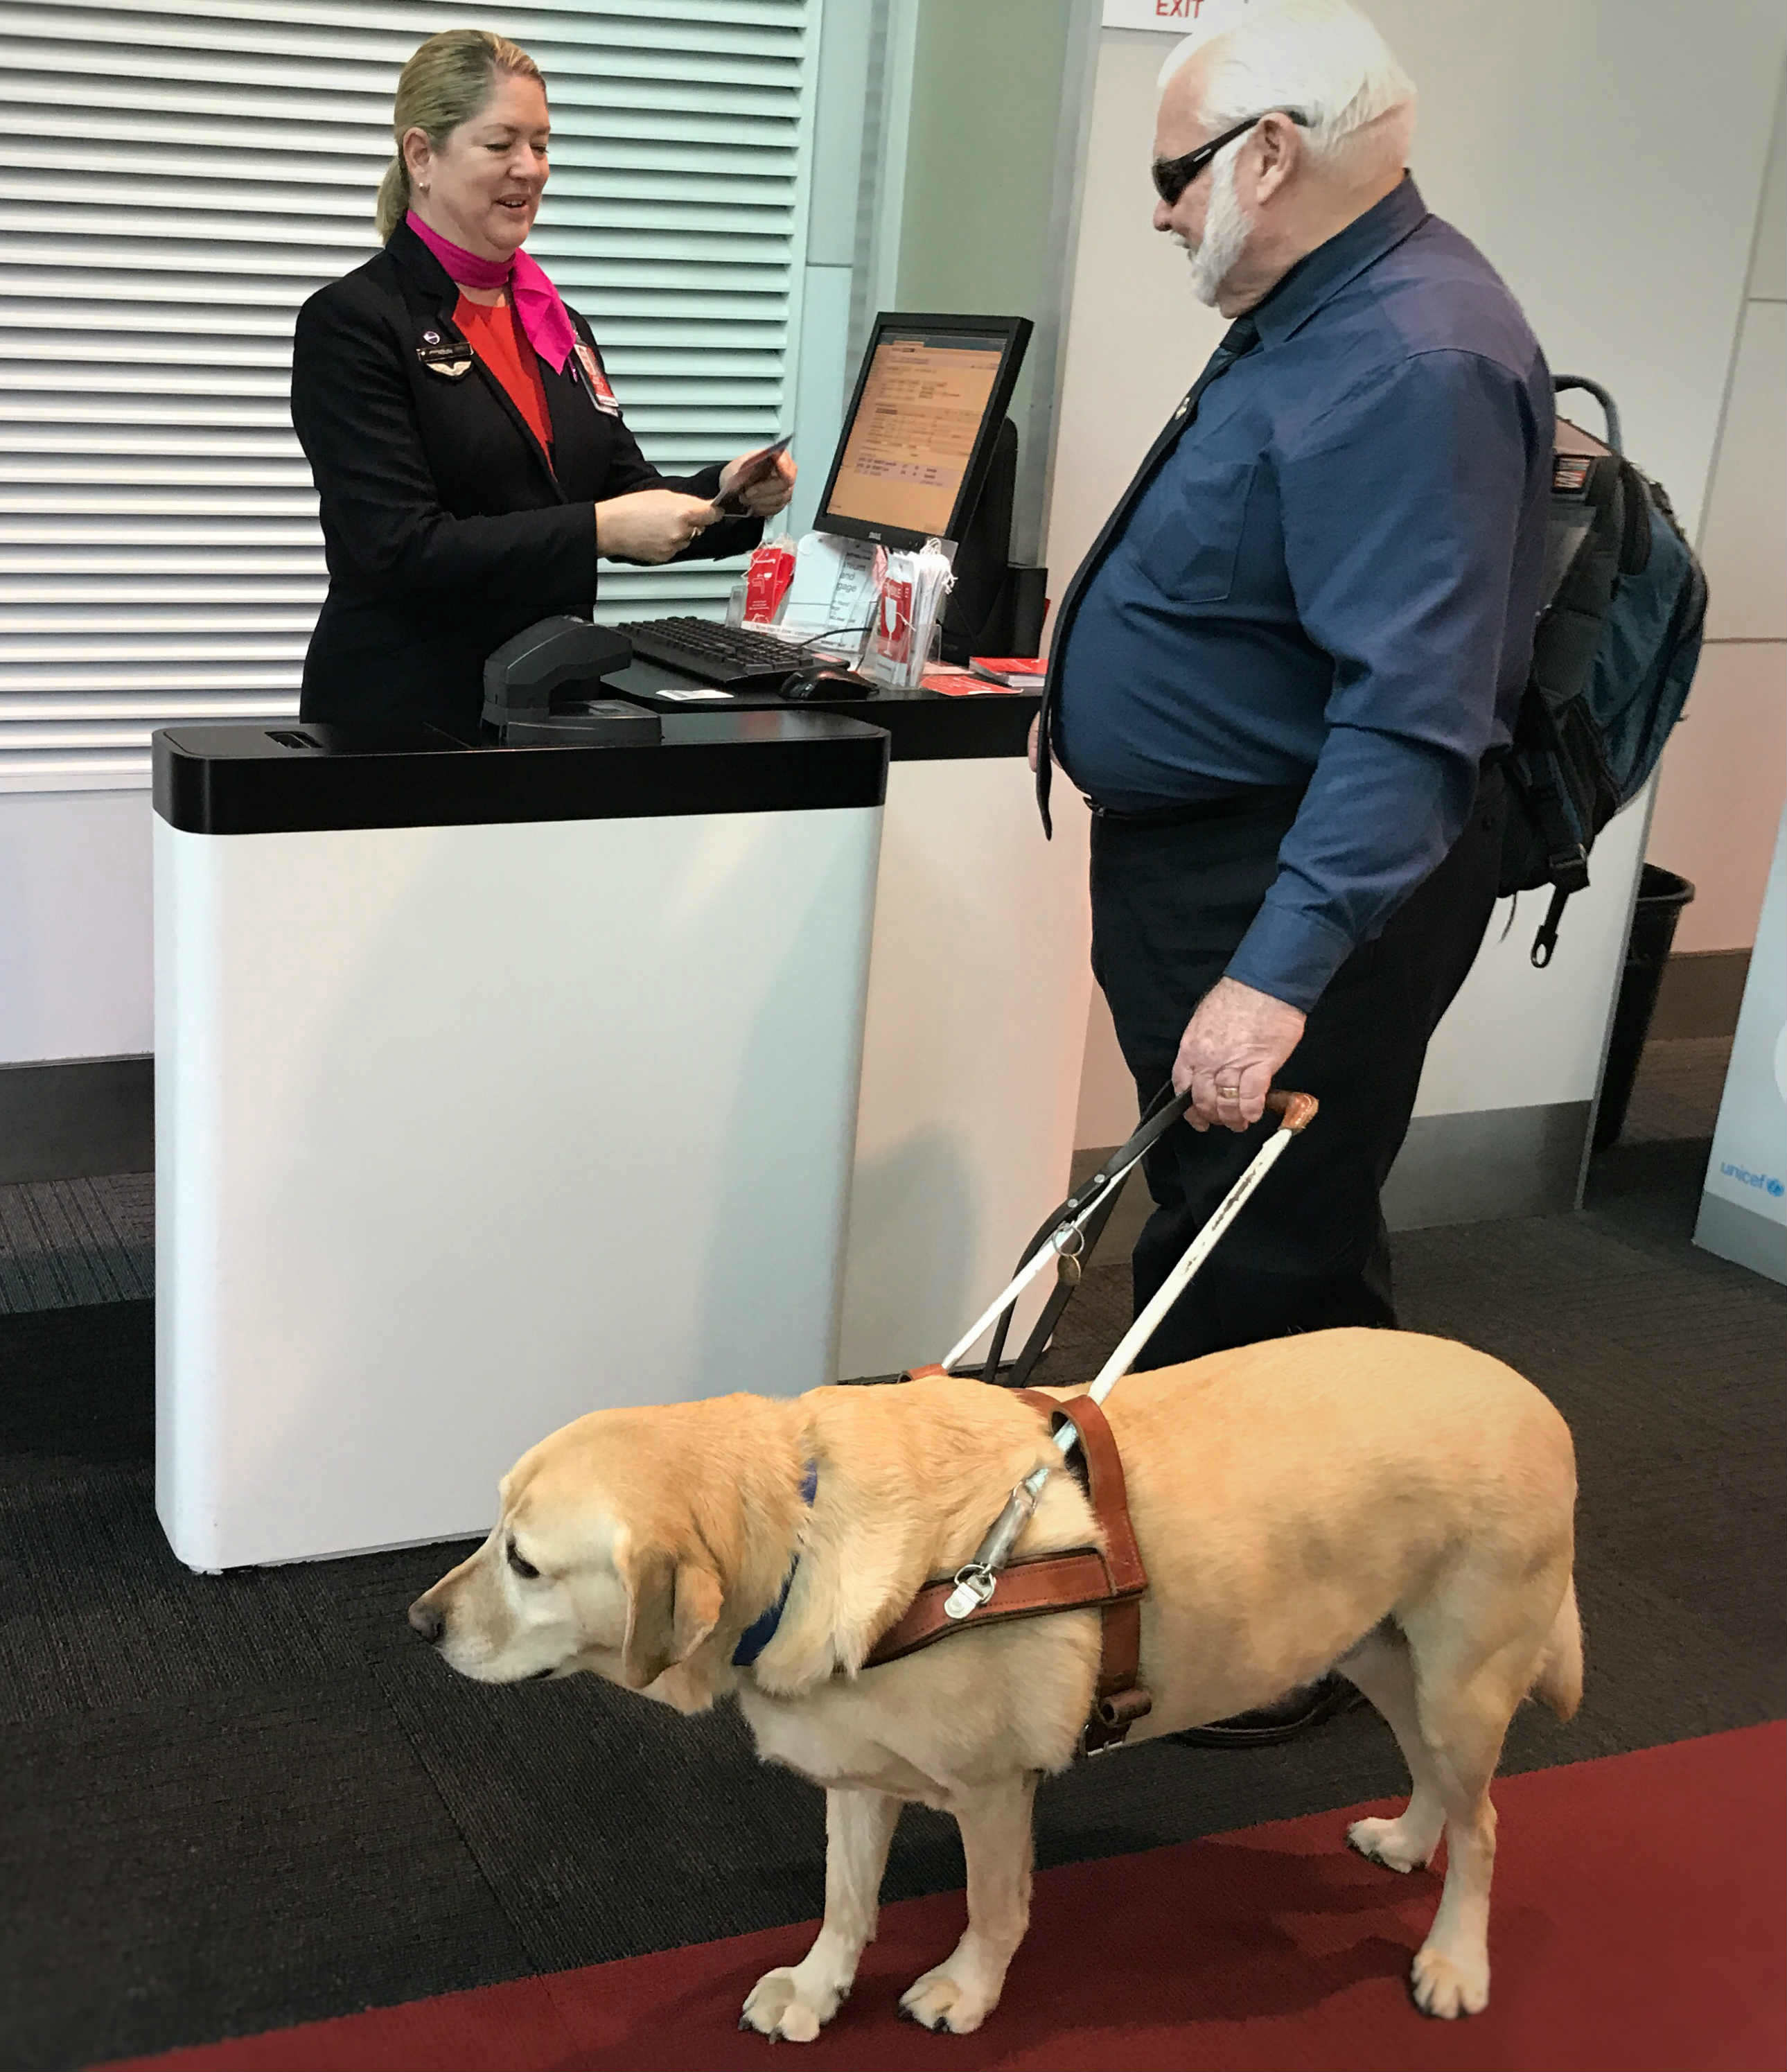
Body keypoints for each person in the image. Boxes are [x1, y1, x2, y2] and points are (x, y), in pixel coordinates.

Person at [1031, 0, 1553, 1741]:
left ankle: (1269, 1636)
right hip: (1224, 854)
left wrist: (1270, 975)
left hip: (1290, 878)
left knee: (1261, 1251)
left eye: (1177, 174)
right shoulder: (1314, 306)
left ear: (1269, 157)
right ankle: (1315, 1577)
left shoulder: (1410, 353)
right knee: (1245, 1227)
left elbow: (1411, 721)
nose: (1161, 210)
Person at [290, 29, 794, 737]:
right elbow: (399, 548)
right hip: (403, 723)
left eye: (542, 144)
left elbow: (622, 487)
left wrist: (729, 495)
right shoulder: (354, 322)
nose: (530, 169)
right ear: (421, 156)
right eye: (500, 145)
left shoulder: (555, 323)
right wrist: (596, 529)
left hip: (547, 711)